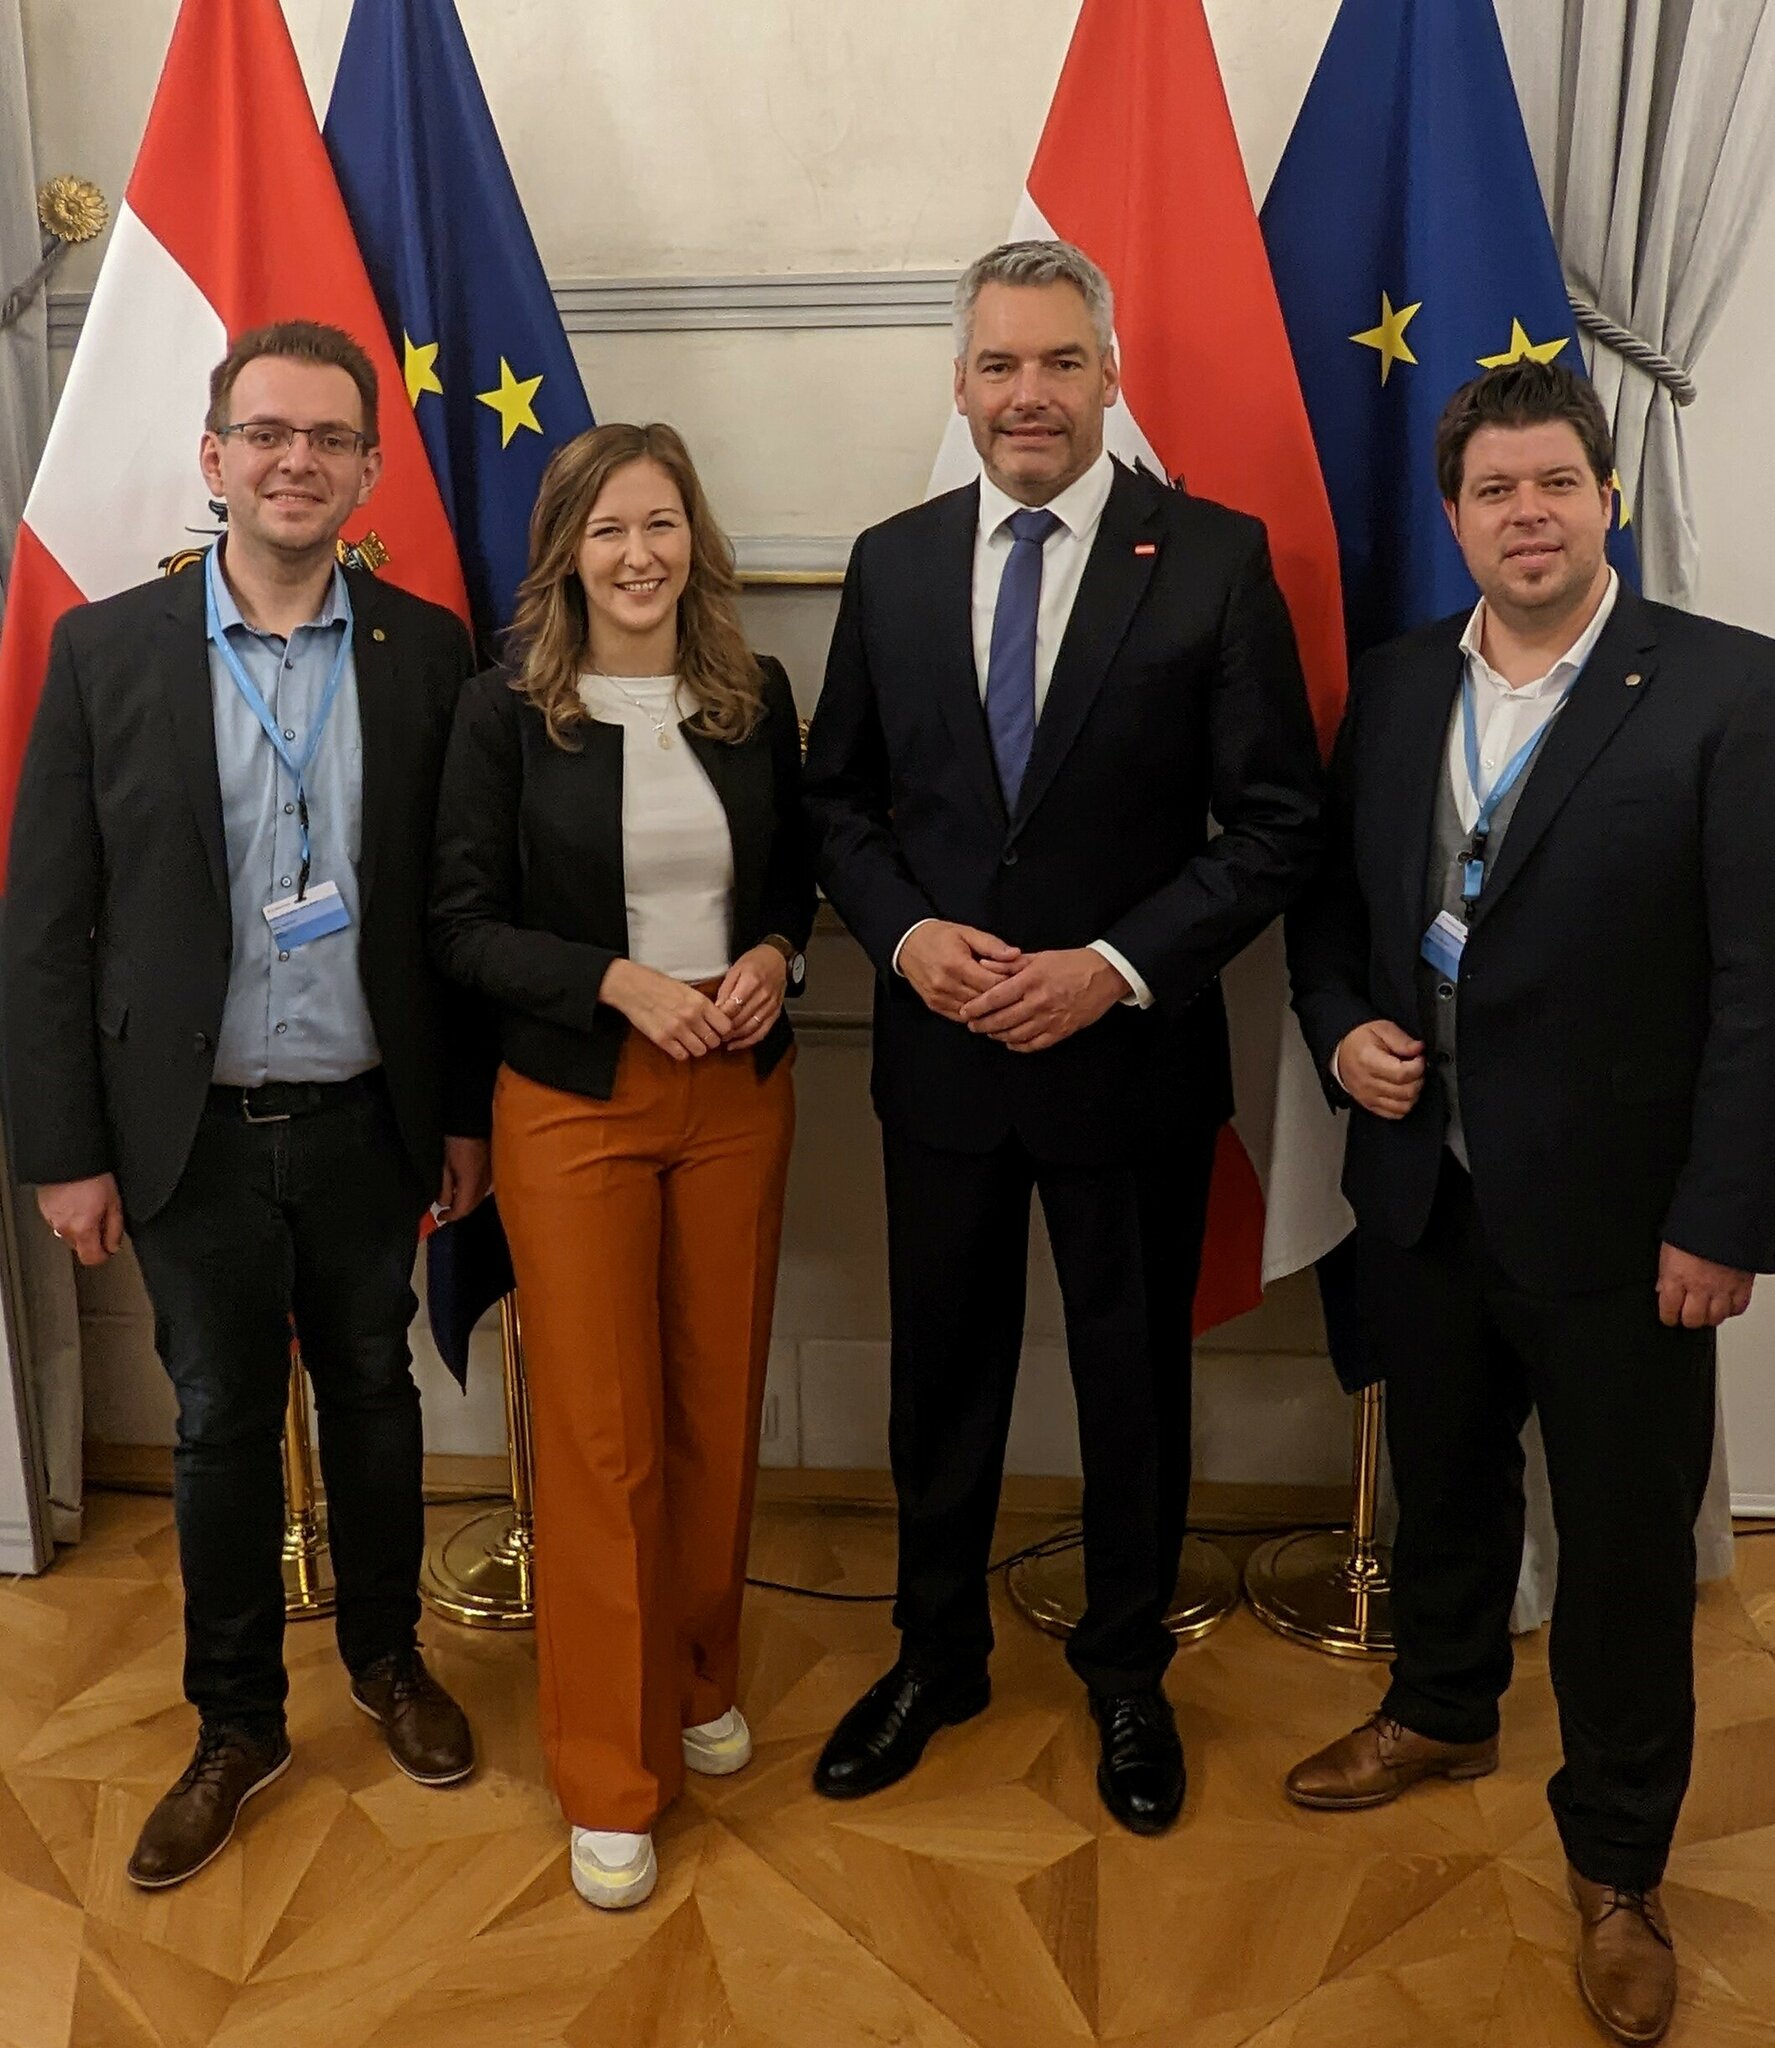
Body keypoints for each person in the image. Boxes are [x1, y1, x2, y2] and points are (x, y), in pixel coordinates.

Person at [802, 239, 1322, 1834]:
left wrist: (1112, 963)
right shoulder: (891, 561)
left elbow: (1279, 822)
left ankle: (1124, 1676)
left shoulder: (1214, 560)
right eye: (999, 366)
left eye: (1060, 363)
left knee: (1130, 1385)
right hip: (943, 1057)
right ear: (959, 387)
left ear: (1111, 377)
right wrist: (900, 932)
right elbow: (835, 800)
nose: (1029, 394)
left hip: (1129, 1062)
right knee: (940, 1380)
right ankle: (936, 1656)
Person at [1286, 359, 1775, 2047]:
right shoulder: (1404, 682)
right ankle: (1440, 1710)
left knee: (1627, 1547)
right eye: (1494, 492)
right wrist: (1343, 1027)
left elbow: (1758, 985)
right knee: (1445, 1481)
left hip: (1630, 1222)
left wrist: (1723, 1218)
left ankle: (1622, 1862)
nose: (1527, 515)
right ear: (1456, 517)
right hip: (1425, 1188)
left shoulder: (1725, 690)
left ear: (1605, 496)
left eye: (1555, 483)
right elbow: (1338, 917)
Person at [3, 321, 489, 1891]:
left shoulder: (432, 654)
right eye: (266, 433)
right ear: (213, 460)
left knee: (376, 1394)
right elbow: (47, 919)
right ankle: (235, 1724)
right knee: (217, 1427)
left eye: (330, 438)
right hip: (186, 1133)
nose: (298, 460)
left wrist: (465, 1116)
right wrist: (63, 1150)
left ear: (365, 468)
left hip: (369, 1117)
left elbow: (459, 913)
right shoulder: (106, 650)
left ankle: (388, 1664)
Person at [429, 421, 814, 1911]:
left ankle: (699, 1675)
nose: (639, 555)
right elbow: (460, 925)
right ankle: (607, 1768)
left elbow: (792, 876)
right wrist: (613, 981)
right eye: (608, 530)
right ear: (566, 553)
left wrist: (778, 952)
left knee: (716, 1407)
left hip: (738, 1090)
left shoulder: (751, 697)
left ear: (693, 543)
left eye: (661, 525)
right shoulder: (502, 713)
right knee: (599, 1439)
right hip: (576, 1102)